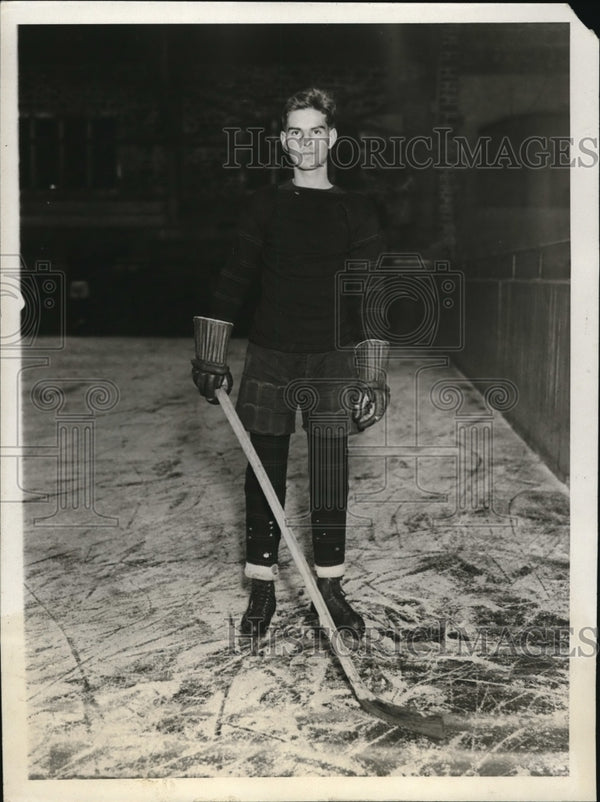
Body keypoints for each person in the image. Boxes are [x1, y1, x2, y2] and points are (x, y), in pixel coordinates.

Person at [192, 87, 389, 641]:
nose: (306, 142)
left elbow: (370, 293)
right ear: (283, 141)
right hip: (271, 356)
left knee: (329, 474)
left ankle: (330, 585)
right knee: (264, 472)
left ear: (332, 138)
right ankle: (262, 584)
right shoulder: (265, 205)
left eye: (316, 131)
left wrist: (373, 374)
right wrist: (210, 353)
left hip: (332, 359)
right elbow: (235, 276)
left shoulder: (356, 209)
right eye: (295, 133)